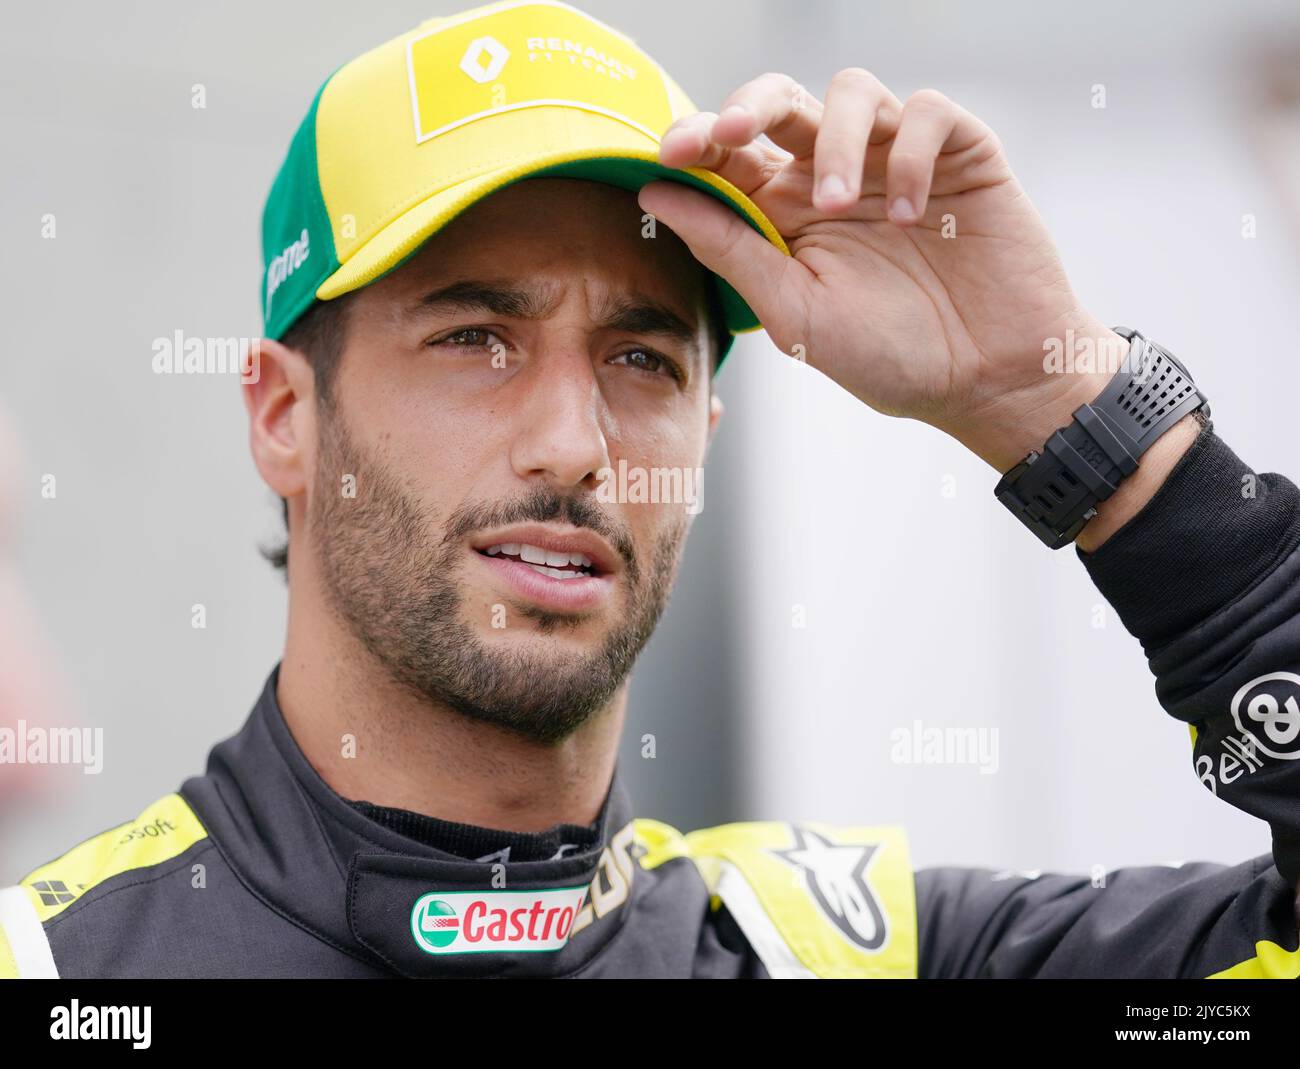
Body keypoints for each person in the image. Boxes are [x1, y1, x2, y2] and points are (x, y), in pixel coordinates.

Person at [2, 0, 1297, 979]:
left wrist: (1065, 407)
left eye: (639, 357)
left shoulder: (855, 954)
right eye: (476, 337)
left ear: (706, 425)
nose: (574, 443)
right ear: (285, 416)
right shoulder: (61, 975)